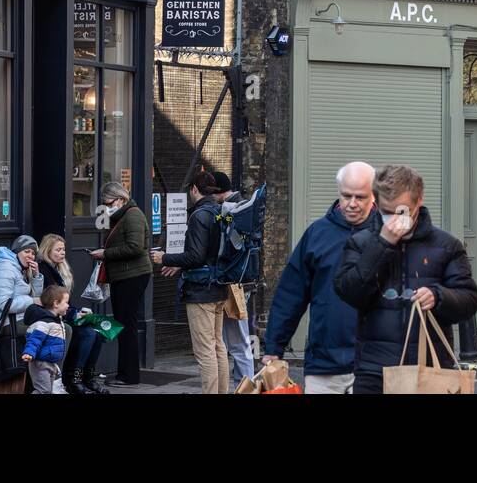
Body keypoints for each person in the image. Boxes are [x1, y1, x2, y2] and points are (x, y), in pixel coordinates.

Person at [334, 164, 477, 394]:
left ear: (418, 202)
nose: (392, 220)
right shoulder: (361, 242)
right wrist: (383, 244)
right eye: (385, 211)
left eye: (400, 211)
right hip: (375, 371)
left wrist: (439, 296)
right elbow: (350, 292)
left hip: (429, 369)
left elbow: (469, 299)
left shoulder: (446, 245)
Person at [262, 161, 377, 394]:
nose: (352, 204)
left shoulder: (389, 235)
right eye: (346, 196)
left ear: (374, 195)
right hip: (325, 364)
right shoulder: (317, 234)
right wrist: (274, 346)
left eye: (360, 197)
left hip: (375, 364)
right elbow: (291, 294)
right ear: (338, 192)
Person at [153, 170, 231, 393]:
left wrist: (165, 257)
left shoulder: (199, 216)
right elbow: (210, 254)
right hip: (218, 287)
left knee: (205, 351)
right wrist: (179, 263)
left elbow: (196, 256)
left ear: (194, 189)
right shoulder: (220, 211)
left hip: (201, 291)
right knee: (217, 347)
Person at [90, 182, 152, 388]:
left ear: (120, 199)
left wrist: (105, 254)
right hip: (125, 275)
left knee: (126, 326)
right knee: (123, 325)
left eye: (108, 202)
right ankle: (125, 372)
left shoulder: (132, 215)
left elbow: (135, 247)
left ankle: (129, 375)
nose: (106, 207)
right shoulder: (122, 216)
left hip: (132, 276)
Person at [38, 233, 106, 395]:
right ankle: (73, 380)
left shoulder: (59, 269)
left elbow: (64, 303)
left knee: (98, 331)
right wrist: (73, 315)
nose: (62, 253)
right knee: (88, 333)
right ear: (47, 251)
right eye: (58, 250)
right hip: (50, 319)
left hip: (63, 315)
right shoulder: (44, 270)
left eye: (63, 249)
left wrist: (77, 311)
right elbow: (50, 304)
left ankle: (87, 377)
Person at [0, 234, 44, 394]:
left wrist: (36, 277)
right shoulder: (5, 268)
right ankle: (45, 385)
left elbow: (35, 297)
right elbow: (5, 304)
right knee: (52, 330)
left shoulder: (20, 269)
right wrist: (32, 301)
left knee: (62, 328)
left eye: (33, 253)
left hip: (20, 319)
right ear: (16, 251)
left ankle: (46, 383)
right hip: (5, 324)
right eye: (27, 251)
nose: (30, 256)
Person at [211, 171, 255, 386]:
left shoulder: (234, 210)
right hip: (241, 281)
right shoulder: (244, 207)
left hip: (234, 283)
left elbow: (230, 247)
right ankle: (243, 383)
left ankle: (244, 385)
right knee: (237, 338)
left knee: (237, 339)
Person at [21, 285, 71, 395]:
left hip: (50, 363)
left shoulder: (56, 320)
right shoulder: (44, 323)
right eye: (66, 302)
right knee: (43, 390)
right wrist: (29, 352)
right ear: (56, 304)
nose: (68, 306)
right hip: (41, 363)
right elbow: (34, 340)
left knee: (48, 390)